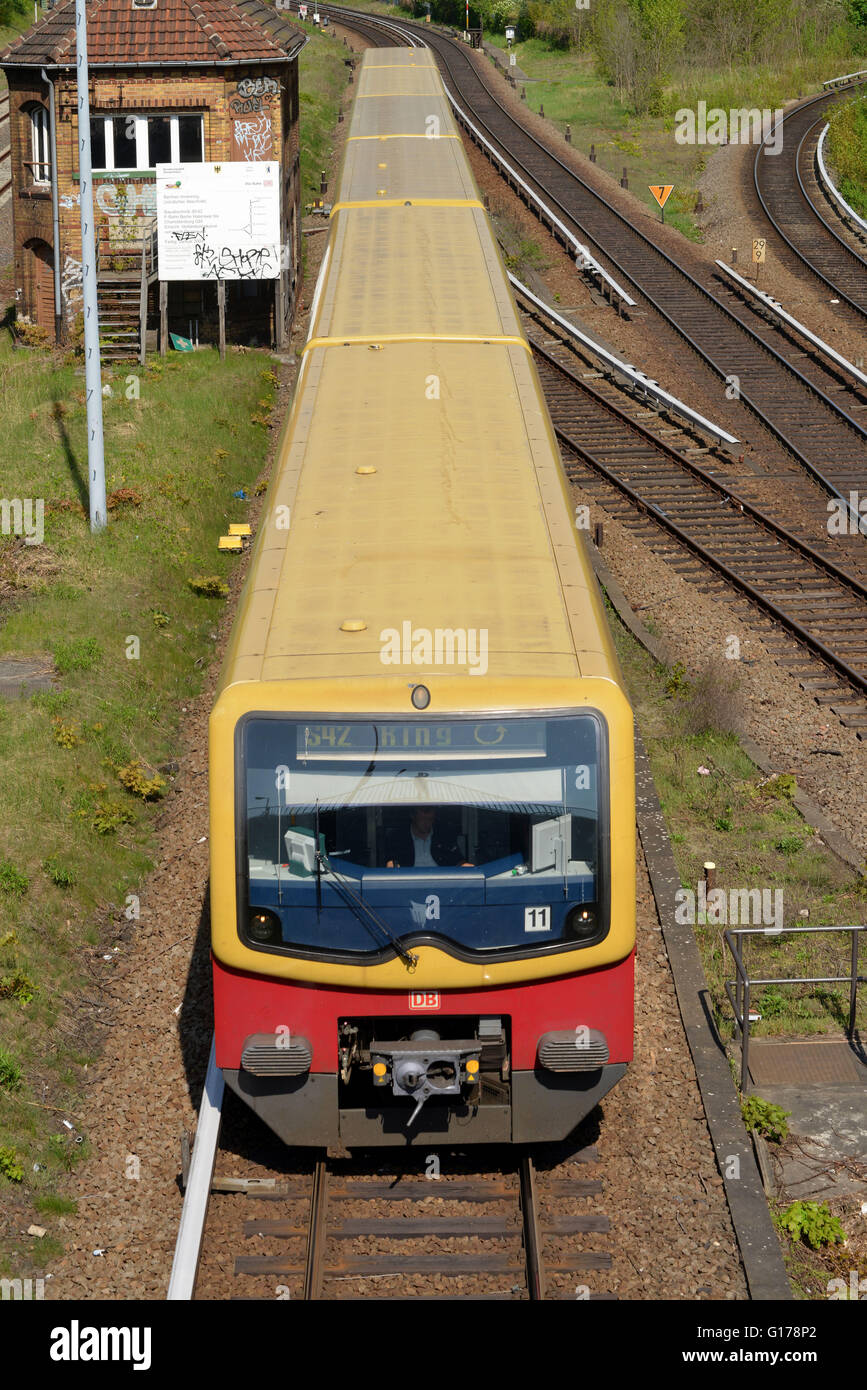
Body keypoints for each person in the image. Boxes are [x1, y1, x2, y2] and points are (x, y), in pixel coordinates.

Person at [385, 808, 473, 868]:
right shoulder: (399, 838)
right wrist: (391, 864)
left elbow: (457, 860)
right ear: (413, 816)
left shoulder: (443, 836)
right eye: (423, 819)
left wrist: (465, 866)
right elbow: (391, 862)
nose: (427, 824)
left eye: (430, 819)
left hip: (441, 884)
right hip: (409, 884)